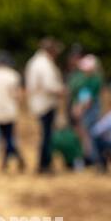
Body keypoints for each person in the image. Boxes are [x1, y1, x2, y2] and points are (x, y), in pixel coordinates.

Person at [25, 38, 65, 173]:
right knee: (46, 136)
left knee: (45, 135)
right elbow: (49, 85)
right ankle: (45, 164)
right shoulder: (44, 64)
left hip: (39, 103)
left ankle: (44, 163)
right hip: (45, 104)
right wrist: (61, 90)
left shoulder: (36, 62)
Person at [69, 54, 104, 165]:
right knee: (86, 134)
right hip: (87, 110)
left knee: (91, 134)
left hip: (90, 110)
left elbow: (88, 99)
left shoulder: (94, 79)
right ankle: (91, 157)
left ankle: (94, 158)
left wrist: (79, 108)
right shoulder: (89, 79)